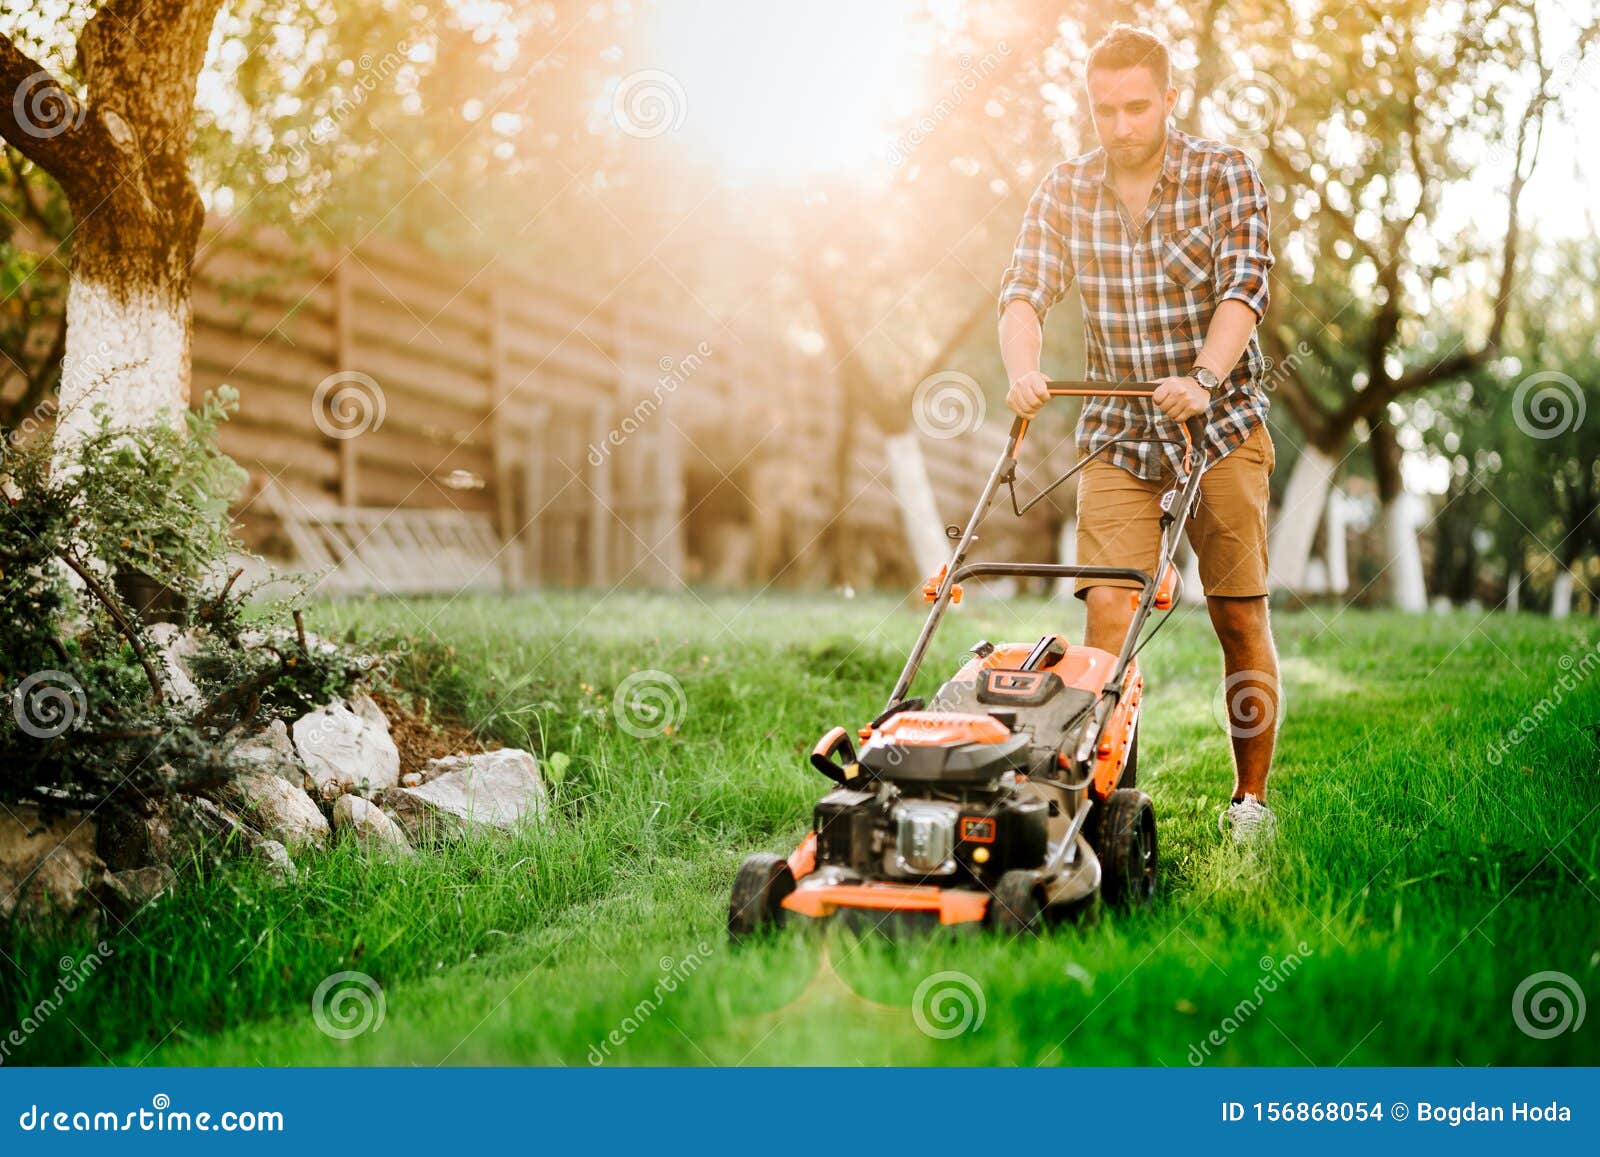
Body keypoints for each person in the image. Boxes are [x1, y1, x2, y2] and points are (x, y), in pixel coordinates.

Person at [996, 23, 1281, 843]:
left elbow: (1246, 285)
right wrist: (1023, 368)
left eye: (1135, 108)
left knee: (1237, 615)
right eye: (1104, 111)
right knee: (1108, 624)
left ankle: (1250, 806)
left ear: (1168, 99)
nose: (1120, 126)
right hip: (1119, 432)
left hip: (1219, 423)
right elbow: (1023, 289)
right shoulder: (1065, 189)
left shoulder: (1224, 174)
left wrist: (1204, 377)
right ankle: (1114, 808)